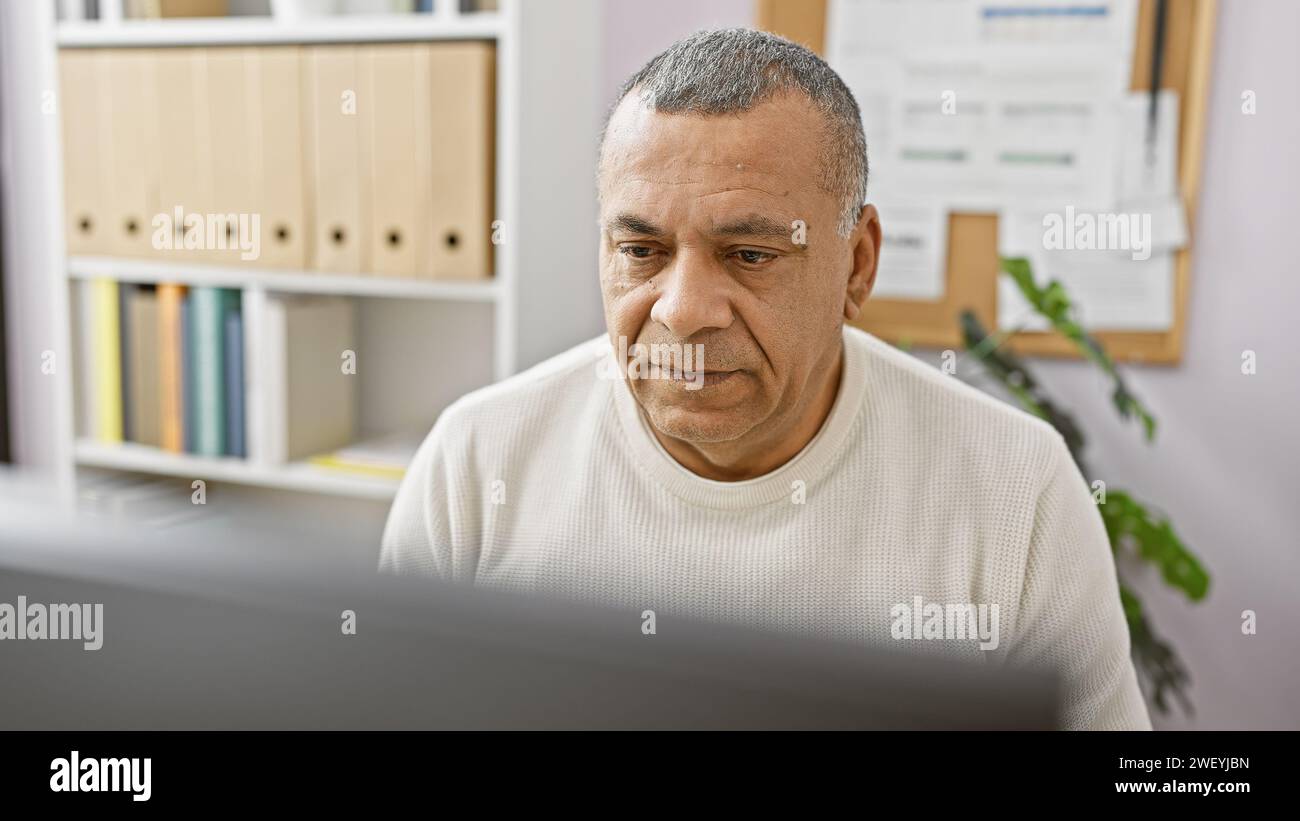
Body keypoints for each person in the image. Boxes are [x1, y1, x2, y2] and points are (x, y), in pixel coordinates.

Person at [380, 28, 1150, 730]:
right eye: (641, 250)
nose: (683, 312)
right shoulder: (478, 466)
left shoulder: (1018, 488)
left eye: (750, 255)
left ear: (857, 263)